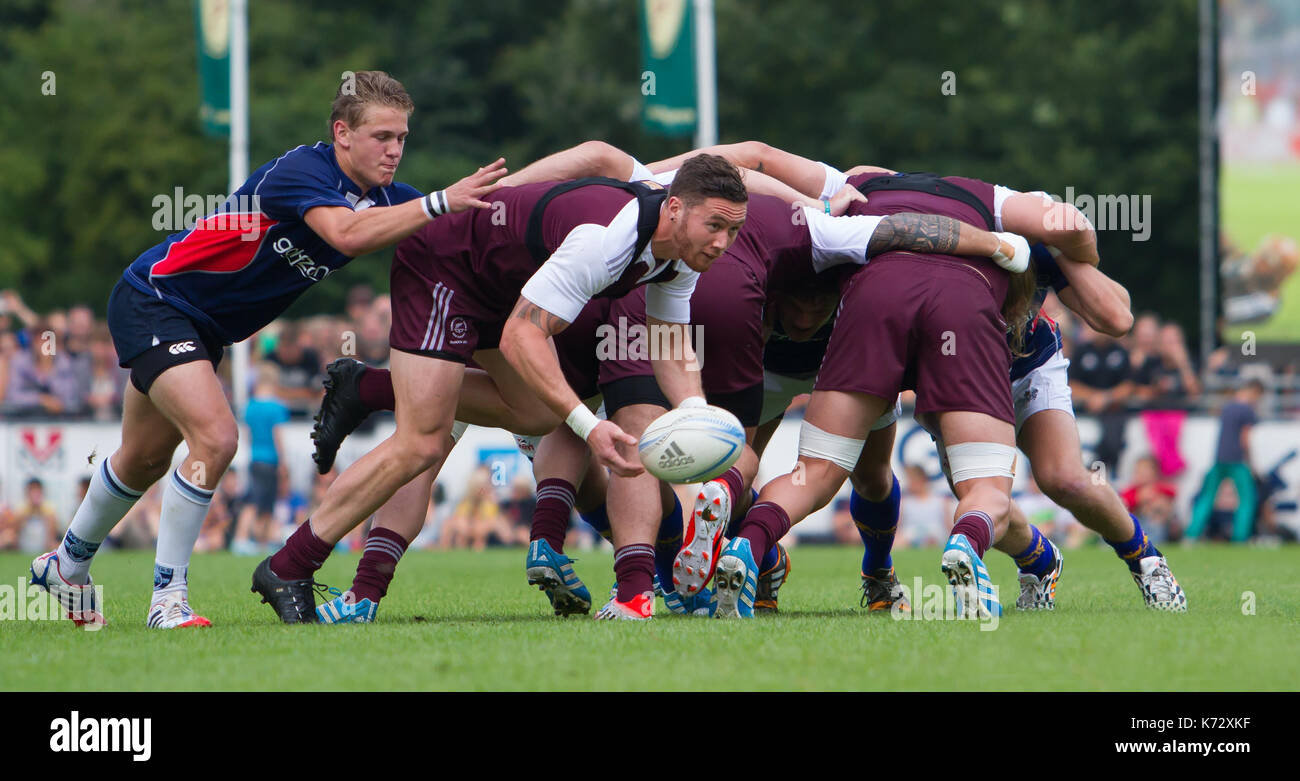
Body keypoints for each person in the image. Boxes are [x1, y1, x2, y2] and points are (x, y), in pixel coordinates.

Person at [30, 70, 508, 629]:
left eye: (402, 138)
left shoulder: (386, 200)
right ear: (342, 133)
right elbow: (350, 235)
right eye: (382, 136)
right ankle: (169, 599)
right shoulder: (304, 170)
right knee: (216, 438)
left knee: (143, 459)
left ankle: (65, 565)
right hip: (157, 298)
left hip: (202, 328)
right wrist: (440, 201)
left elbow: (464, 211)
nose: (395, 150)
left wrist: (575, 183)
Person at [252, 153, 749, 624]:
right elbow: (521, 336)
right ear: (676, 207)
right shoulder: (607, 239)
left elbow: (669, 338)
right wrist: (591, 427)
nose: (723, 243)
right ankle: (290, 564)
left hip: (503, 288)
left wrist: (697, 413)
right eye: (715, 226)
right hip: (445, 266)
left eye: (734, 230)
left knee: (535, 414)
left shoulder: (680, 253)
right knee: (424, 440)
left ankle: (369, 387)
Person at [1186, 378, 1265, 542]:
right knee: (1246, 499)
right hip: (1237, 461)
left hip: (1219, 459)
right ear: (1255, 392)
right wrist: (1251, 463)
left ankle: (1190, 535)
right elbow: (1245, 438)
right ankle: (1240, 538)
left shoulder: (1227, 406)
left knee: (1207, 497)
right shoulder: (1247, 410)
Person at [230, 363, 290, 554]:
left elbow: (247, 434)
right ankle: (241, 539)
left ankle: (261, 543)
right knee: (260, 502)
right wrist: (283, 462)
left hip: (255, 458)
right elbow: (278, 436)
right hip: (271, 459)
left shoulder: (250, 407)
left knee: (261, 501)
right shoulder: (277, 407)